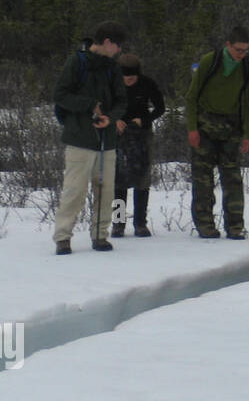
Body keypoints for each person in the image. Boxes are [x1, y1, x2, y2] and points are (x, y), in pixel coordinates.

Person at [52, 21, 128, 254]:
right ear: (107, 42)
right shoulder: (77, 62)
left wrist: (111, 118)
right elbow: (60, 95)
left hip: (107, 141)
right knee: (74, 190)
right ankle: (63, 237)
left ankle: (100, 235)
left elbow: (122, 101)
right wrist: (89, 107)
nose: (119, 51)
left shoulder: (113, 68)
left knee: (106, 190)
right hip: (80, 138)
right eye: (117, 46)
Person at [186, 26, 249, 240]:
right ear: (228, 45)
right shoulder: (210, 61)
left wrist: (248, 134)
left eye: (245, 51)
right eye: (238, 50)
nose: (241, 55)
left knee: (233, 179)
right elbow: (191, 97)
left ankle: (235, 226)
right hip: (205, 126)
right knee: (203, 180)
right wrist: (192, 129)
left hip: (232, 128)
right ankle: (205, 225)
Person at [111, 52, 165, 238]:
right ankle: (118, 223)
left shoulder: (147, 83)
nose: (129, 81)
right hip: (118, 135)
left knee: (142, 178)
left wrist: (144, 119)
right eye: (126, 78)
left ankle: (140, 223)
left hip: (142, 134)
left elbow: (160, 108)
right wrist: (114, 120)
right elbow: (102, 107)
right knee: (119, 180)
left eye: (132, 78)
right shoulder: (112, 84)